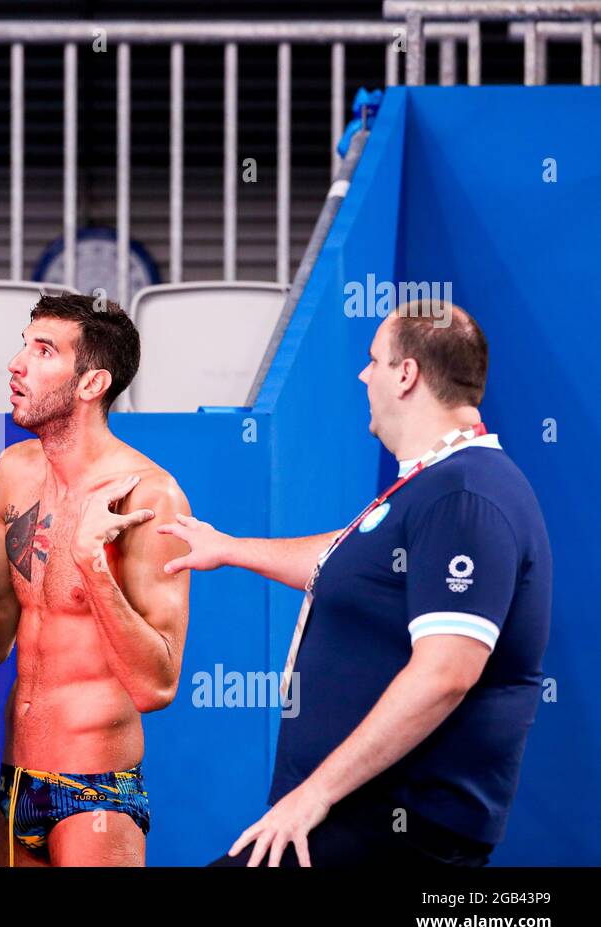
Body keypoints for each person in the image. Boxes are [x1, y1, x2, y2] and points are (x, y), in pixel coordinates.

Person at [160, 301, 551, 867]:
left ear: (406, 374)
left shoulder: (466, 495)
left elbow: (445, 674)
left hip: (389, 830)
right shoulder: (435, 486)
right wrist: (229, 548)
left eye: (373, 360)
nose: (363, 376)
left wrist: (313, 795)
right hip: (351, 823)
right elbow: (349, 562)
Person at [0, 292, 191, 867]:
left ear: (91, 384)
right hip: (16, 782)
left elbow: (156, 686)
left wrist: (92, 565)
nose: (16, 364)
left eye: (43, 351)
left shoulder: (149, 496)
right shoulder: (15, 471)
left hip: (95, 793)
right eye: (23, 345)